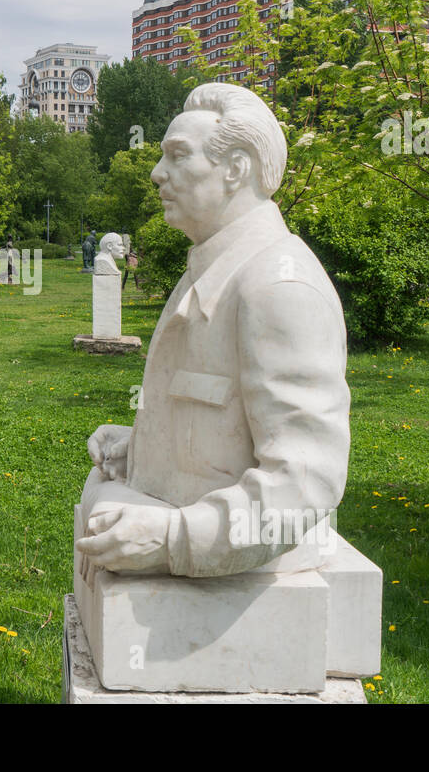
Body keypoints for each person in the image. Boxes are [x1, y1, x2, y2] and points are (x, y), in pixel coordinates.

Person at [76, 82, 351, 580]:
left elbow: (305, 482)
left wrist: (174, 539)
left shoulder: (278, 287)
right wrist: (145, 447)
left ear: (236, 169)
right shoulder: (207, 271)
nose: (158, 174)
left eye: (178, 156)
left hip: (251, 576)